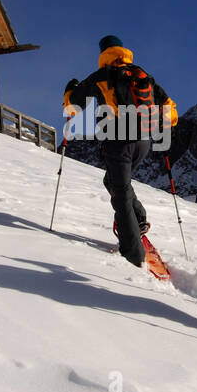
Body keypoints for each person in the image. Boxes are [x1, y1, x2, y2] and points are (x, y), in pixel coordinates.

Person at [64, 35, 177, 267]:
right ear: (122, 51)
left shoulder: (101, 76)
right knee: (114, 182)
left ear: (103, 53)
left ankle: (133, 254)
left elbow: (73, 107)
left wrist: (69, 91)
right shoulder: (142, 74)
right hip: (143, 142)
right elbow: (170, 111)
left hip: (118, 142)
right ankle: (139, 220)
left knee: (121, 192)